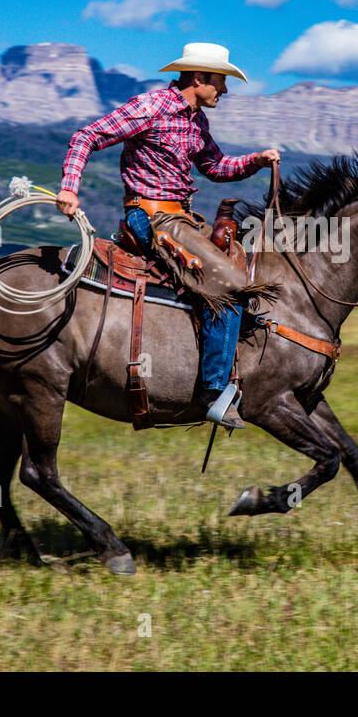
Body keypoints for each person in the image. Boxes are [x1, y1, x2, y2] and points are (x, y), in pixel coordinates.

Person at [54, 42, 280, 429]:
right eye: (220, 82)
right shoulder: (151, 106)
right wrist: (70, 187)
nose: (223, 90)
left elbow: (215, 166)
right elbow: (87, 136)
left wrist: (255, 161)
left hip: (181, 218)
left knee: (245, 259)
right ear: (199, 78)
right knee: (227, 284)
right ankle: (213, 390)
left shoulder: (196, 121)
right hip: (150, 217)